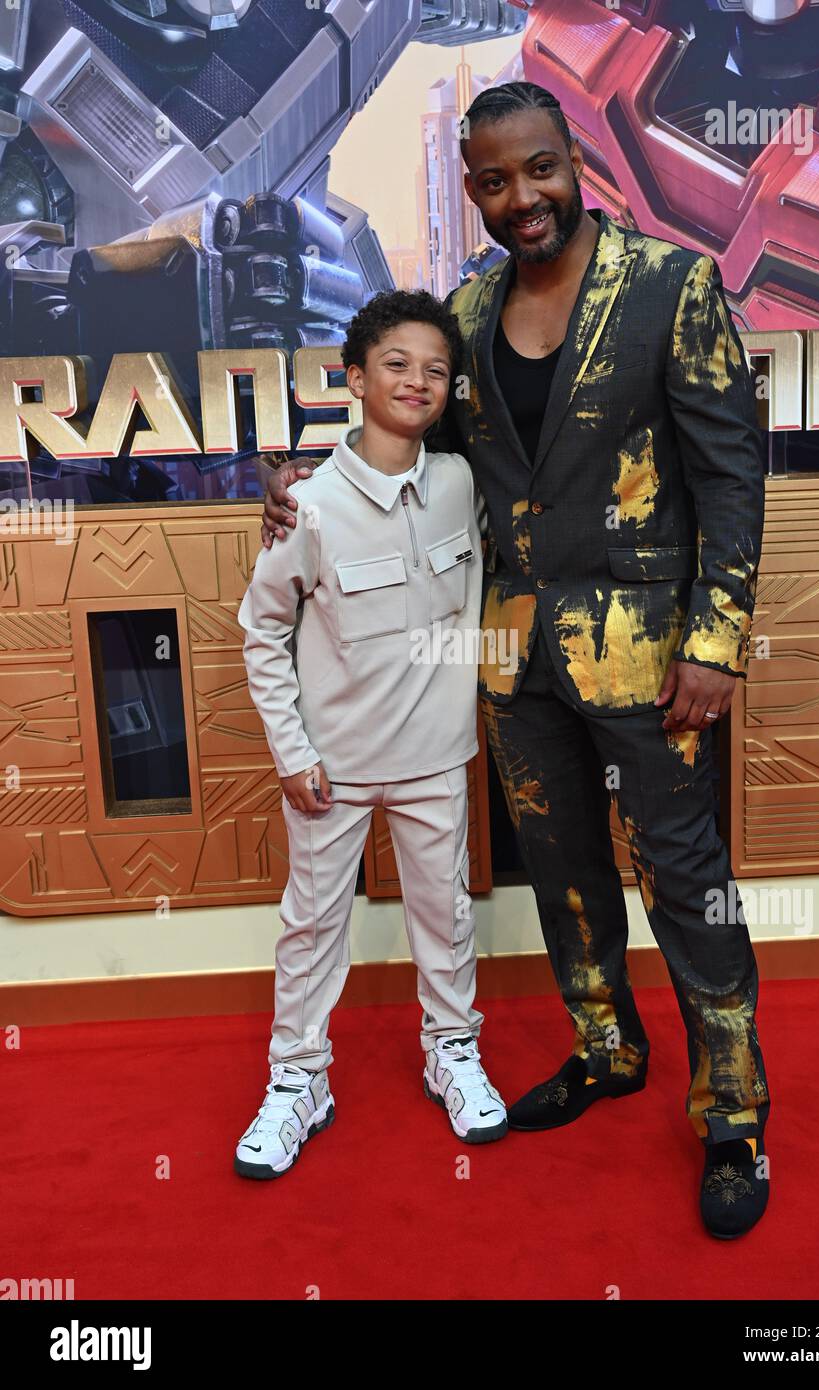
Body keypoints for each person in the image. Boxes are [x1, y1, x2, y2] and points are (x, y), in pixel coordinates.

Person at [262, 82, 771, 1238]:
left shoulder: (669, 285)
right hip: (510, 653)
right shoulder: (467, 307)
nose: (518, 198)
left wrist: (715, 638)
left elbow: (731, 474)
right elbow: (405, 434)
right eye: (490, 181)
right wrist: (296, 482)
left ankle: (733, 1110)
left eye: (536, 169)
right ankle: (606, 1046)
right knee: (562, 871)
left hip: (652, 657)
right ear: (474, 192)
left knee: (686, 883)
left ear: (573, 159)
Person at [235, 288, 507, 1180]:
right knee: (311, 927)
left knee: (445, 917)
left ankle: (452, 1052)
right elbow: (261, 631)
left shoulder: (463, 483)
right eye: (396, 364)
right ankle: (297, 1081)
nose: (416, 381)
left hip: (436, 760)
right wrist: (293, 753)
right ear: (354, 377)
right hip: (332, 769)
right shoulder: (305, 507)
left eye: (435, 369)